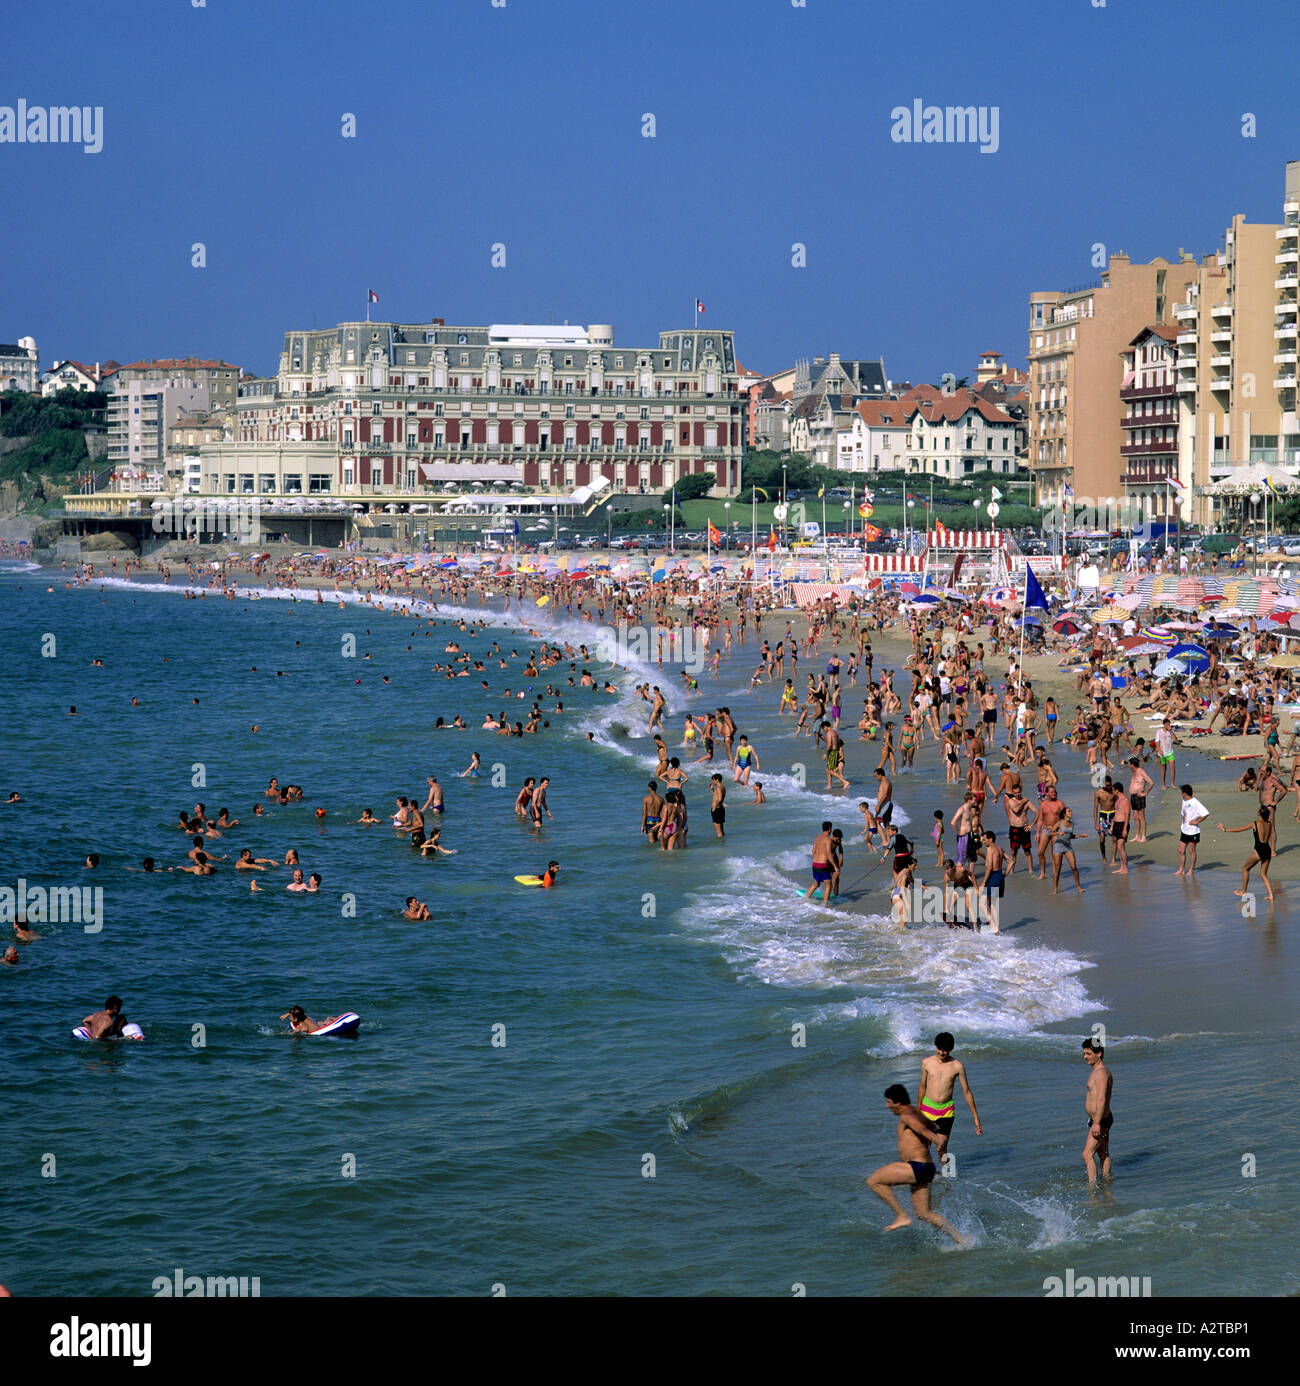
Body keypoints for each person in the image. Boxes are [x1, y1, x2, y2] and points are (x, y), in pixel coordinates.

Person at [866, 1085, 961, 1243]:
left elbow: (922, 1129)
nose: (887, 1105)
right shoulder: (918, 1111)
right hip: (927, 1168)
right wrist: (940, 1138)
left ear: (898, 1103)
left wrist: (938, 1142)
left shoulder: (906, 1115)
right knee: (924, 1214)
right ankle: (961, 1240)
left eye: (888, 1102)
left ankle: (901, 1216)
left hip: (916, 1167)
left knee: (874, 1181)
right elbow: (933, 1126)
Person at [917, 1033, 983, 1144]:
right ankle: (926, 1162)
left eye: (945, 1050)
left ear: (951, 1049)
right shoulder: (926, 1063)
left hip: (946, 1111)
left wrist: (976, 1118)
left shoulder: (957, 1066)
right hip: (927, 1108)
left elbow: (967, 1092)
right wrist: (918, 1109)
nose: (942, 1052)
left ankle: (948, 1162)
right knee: (925, 1145)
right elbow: (922, 1087)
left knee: (942, 1146)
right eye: (939, 1048)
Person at [1216, 805, 1276, 902]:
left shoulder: (1255, 823)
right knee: (1263, 874)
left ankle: (1243, 891)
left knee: (1245, 868)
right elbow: (1268, 836)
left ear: (1259, 813)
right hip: (1267, 849)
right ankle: (1271, 895)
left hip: (1259, 850)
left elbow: (1239, 829)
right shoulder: (1269, 824)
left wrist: (1225, 829)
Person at [1081, 1038, 1113, 1186]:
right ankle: (1107, 1183)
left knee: (1087, 1154)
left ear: (1098, 1053)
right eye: (1084, 1053)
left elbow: (1101, 1099)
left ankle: (1092, 1189)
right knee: (1102, 1153)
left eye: (1088, 1053)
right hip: (1100, 1119)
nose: (1085, 1057)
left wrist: (1097, 1123)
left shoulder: (1101, 1073)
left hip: (1100, 1120)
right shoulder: (1097, 1071)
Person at [1176, 783, 1209, 878]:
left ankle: (1191, 870)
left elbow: (1206, 813)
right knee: (1181, 850)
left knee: (1192, 850)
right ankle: (1181, 869)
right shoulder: (1184, 800)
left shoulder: (1195, 802)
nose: (1181, 793)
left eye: (1181, 792)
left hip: (1193, 831)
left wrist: (1197, 821)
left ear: (1184, 793)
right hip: (1184, 829)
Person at [809, 821, 835, 904]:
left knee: (816, 885)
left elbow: (813, 851)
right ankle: (825, 906)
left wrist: (818, 858)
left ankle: (805, 899)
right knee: (828, 886)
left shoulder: (817, 838)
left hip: (815, 864)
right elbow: (829, 854)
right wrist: (835, 866)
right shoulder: (828, 840)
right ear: (830, 829)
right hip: (823, 866)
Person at [709, 773, 726, 838]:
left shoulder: (719, 788)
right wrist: (712, 790)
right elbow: (716, 796)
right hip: (721, 809)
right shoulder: (723, 787)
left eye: (713, 780)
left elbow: (719, 799)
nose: (713, 781)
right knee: (721, 831)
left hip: (717, 810)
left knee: (718, 832)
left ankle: (719, 847)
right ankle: (723, 845)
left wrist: (714, 808)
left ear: (717, 780)